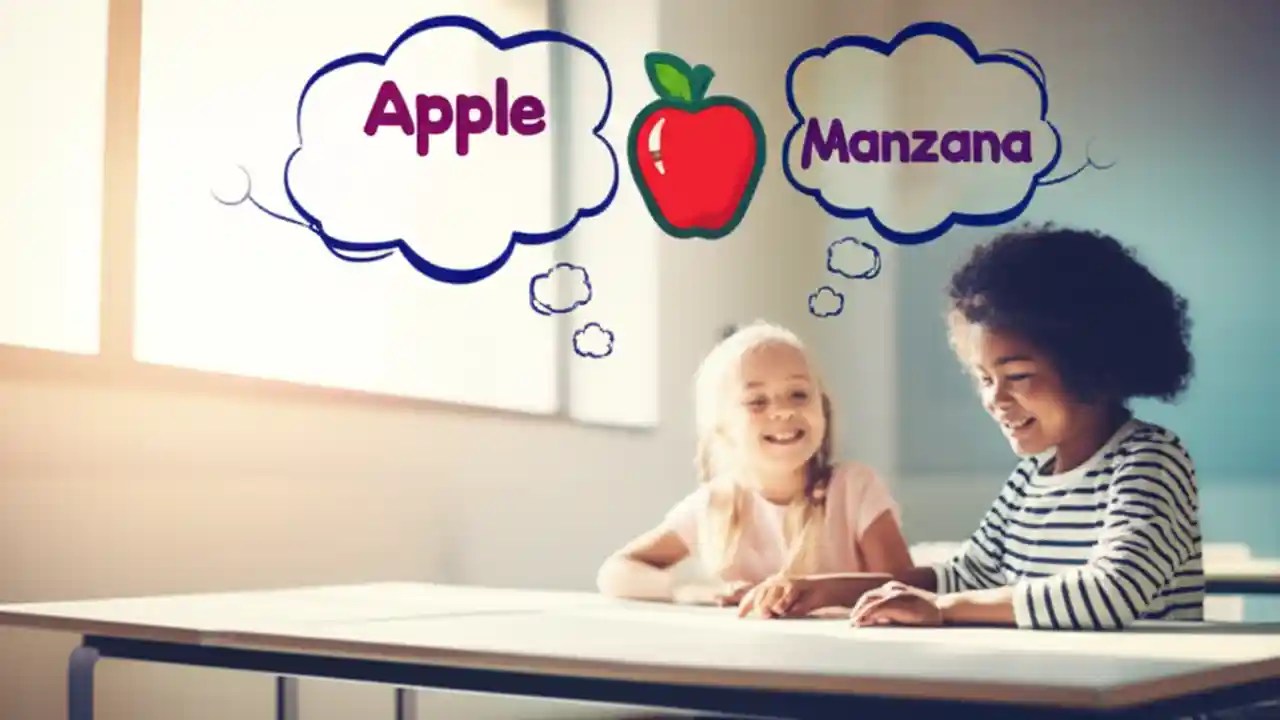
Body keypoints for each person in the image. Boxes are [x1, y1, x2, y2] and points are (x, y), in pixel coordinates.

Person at [741, 223, 1202, 630]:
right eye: (983, 378)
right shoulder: (1028, 481)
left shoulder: (1148, 462)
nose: (994, 399)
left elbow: (1111, 592)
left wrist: (946, 608)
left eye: (1017, 377)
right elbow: (962, 575)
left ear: (1091, 364)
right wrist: (827, 590)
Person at [595, 321, 913, 609]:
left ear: (823, 407)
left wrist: (813, 592)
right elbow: (615, 572)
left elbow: (907, 588)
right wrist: (686, 590)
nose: (783, 412)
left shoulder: (854, 487)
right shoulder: (713, 504)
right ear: (721, 427)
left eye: (799, 394)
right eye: (757, 402)